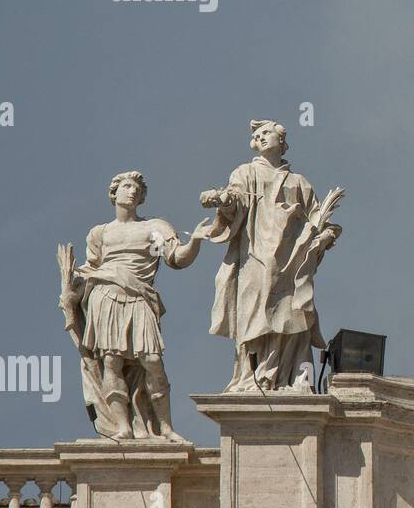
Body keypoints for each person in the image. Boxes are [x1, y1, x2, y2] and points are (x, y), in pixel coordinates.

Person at [199, 120, 341, 392]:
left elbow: (320, 219)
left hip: (291, 262)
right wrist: (222, 200)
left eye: (267, 133)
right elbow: (235, 201)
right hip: (255, 257)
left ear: (282, 140)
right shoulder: (246, 173)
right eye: (257, 135)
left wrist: (326, 236)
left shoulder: (299, 182)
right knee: (255, 313)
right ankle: (253, 377)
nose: (261, 138)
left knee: (293, 314)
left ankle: (287, 378)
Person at [58, 171, 201, 441]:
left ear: (142, 196)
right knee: (111, 361)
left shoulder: (154, 228)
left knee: (152, 360)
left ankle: (166, 427)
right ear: (114, 193)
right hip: (105, 296)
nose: (132, 192)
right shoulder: (100, 233)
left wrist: (195, 241)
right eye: (126, 186)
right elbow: (90, 270)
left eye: (136, 188)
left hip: (139, 297)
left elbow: (176, 258)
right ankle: (122, 426)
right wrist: (69, 287)